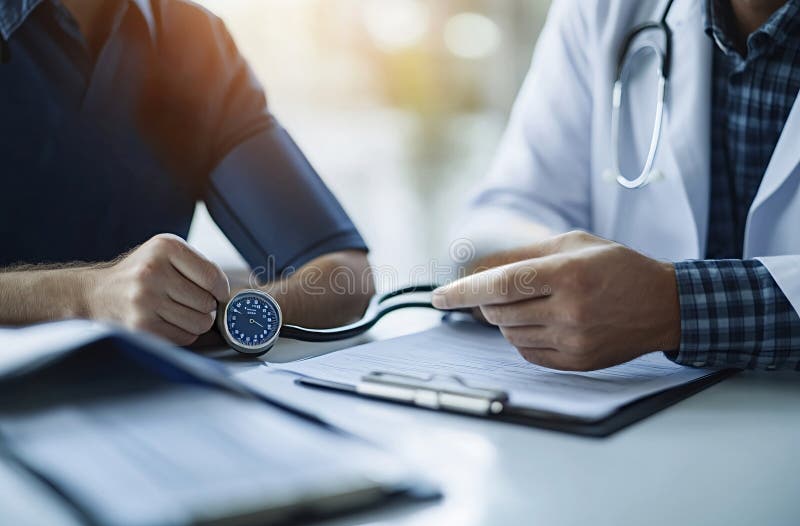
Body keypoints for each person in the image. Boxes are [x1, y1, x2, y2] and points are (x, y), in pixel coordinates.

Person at [433, 0, 800, 371]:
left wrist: (674, 307)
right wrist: (559, 275)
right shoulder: (601, 9)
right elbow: (502, 214)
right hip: (644, 413)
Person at [0, 0, 373, 346]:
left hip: (156, 399)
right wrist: (85, 296)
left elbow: (347, 274)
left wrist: (217, 317)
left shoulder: (196, 42)